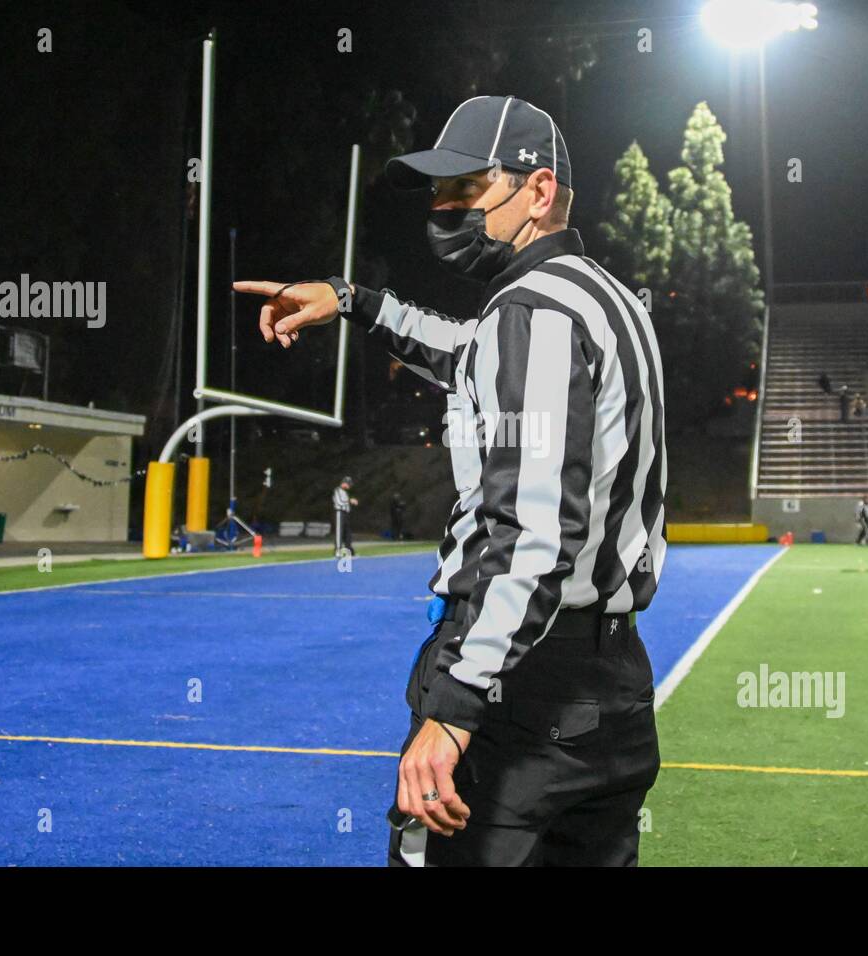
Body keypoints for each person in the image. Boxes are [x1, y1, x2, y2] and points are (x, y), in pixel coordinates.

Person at [238, 96, 665, 867]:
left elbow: (534, 531)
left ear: (537, 192)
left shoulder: (530, 313)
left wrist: (460, 703)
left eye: (465, 189)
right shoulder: (607, 303)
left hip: (521, 691)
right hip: (612, 689)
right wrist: (351, 301)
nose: (442, 210)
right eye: (437, 192)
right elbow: (464, 352)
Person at [332, 476, 358, 556]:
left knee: (348, 533)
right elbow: (339, 502)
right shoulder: (337, 490)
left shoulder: (345, 492)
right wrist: (350, 500)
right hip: (340, 513)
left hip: (346, 514)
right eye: (349, 484)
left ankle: (348, 550)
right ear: (345, 483)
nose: (349, 486)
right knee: (339, 532)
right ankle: (338, 550)